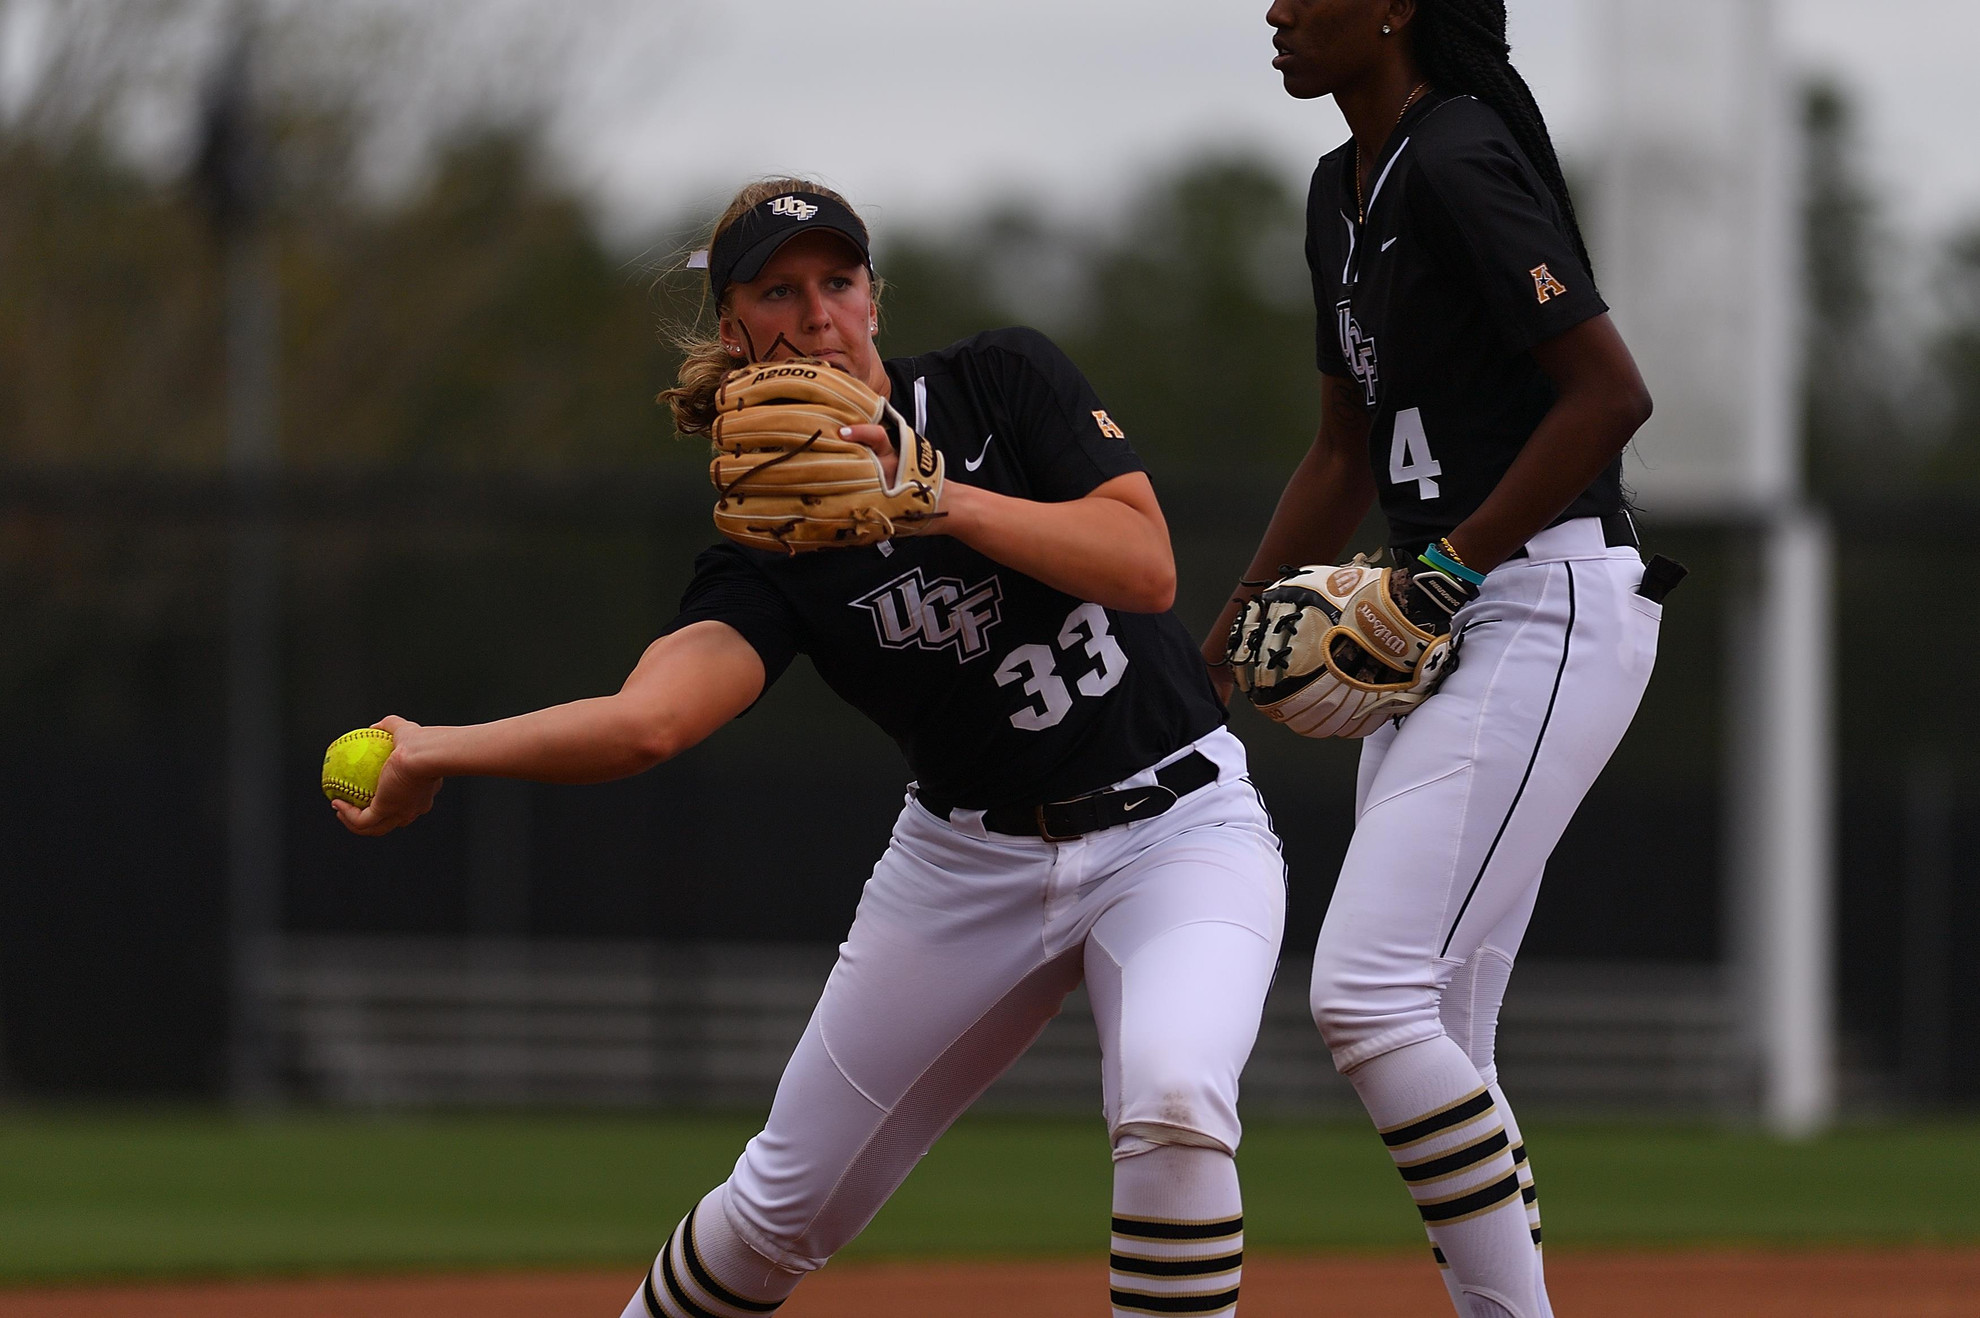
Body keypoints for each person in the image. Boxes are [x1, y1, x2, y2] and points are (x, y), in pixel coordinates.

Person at [337, 179, 1285, 1318]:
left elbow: (1145, 565)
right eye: (780, 291)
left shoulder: (996, 382)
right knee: (779, 1210)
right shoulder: (771, 542)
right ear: (736, 332)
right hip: (964, 866)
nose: (819, 310)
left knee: (1175, 1094)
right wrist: (440, 749)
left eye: (839, 280)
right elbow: (651, 721)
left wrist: (934, 496)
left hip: (1176, 830)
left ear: (875, 298)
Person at [1201, 4, 1661, 1316]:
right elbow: (1345, 451)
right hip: (1437, 617)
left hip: (1542, 597)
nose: (1278, 11)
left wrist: (1446, 569)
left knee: (1367, 993)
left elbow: (1610, 395)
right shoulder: (1338, 190)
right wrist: (1226, 634)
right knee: (1436, 1028)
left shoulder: (1457, 157)